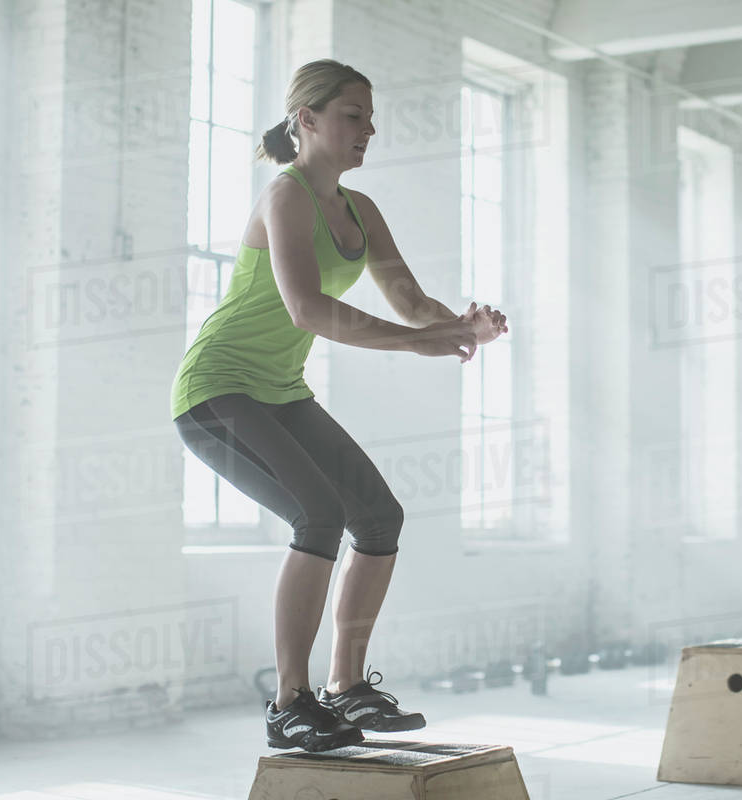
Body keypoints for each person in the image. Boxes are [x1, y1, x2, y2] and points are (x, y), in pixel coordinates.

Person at [171, 58, 508, 753]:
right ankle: (288, 702)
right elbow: (308, 308)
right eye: (354, 114)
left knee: (379, 517)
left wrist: (458, 326)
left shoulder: (361, 211)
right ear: (308, 120)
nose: (369, 129)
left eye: (370, 116)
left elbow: (410, 301)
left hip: (280, 392)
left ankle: (346, 686)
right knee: (318, 515)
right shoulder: (285, 196)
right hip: (216, 390)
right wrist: (419, 342)